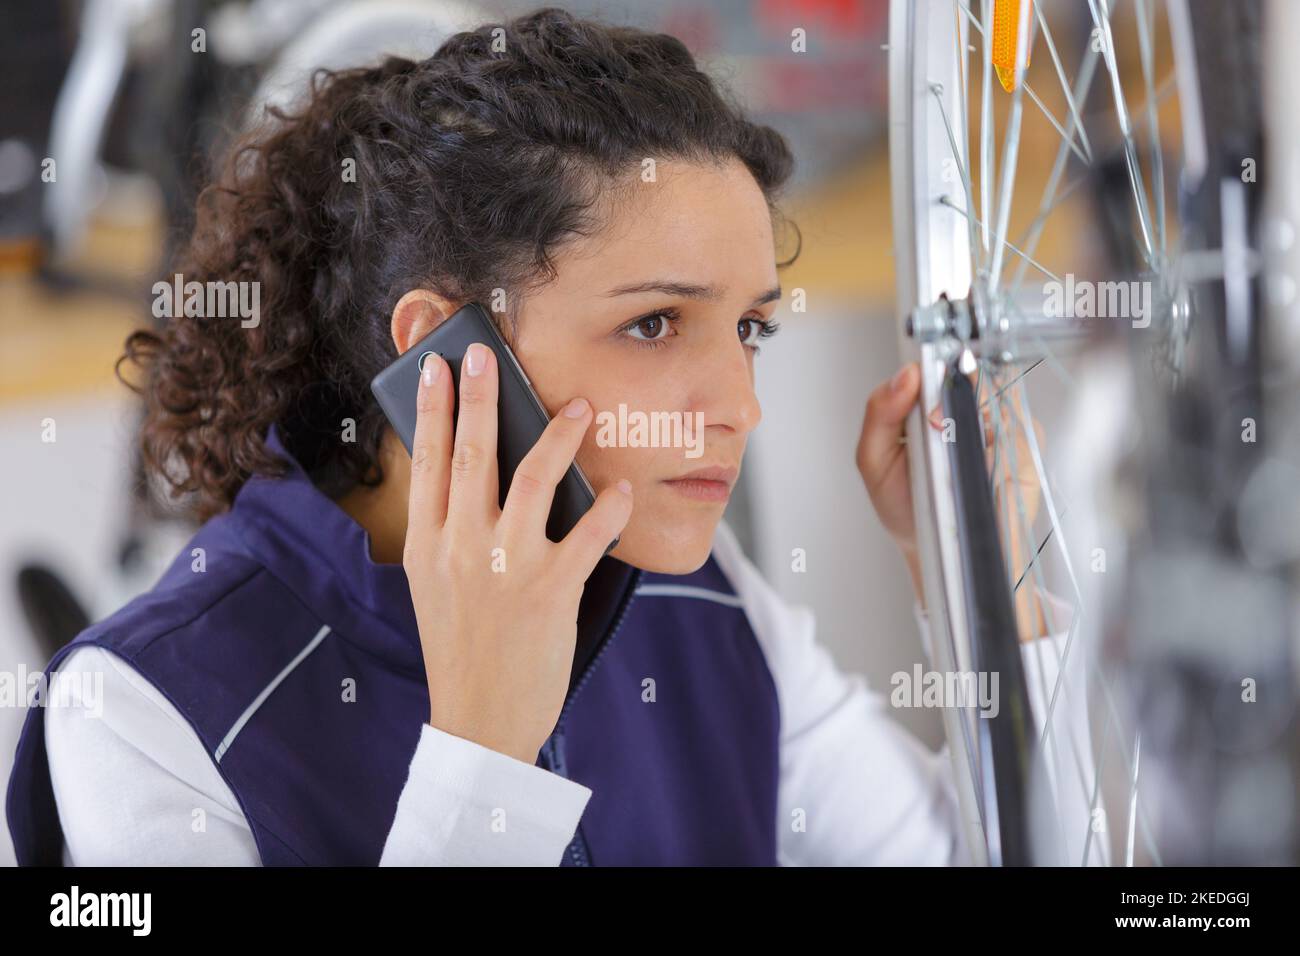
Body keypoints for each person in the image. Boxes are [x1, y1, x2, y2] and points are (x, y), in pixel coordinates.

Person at [6, 7, 1079, 866]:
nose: (737, 405)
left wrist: (990, 587)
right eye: (653, 323)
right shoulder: (139, 719)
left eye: (747, 327)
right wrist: (481, 749)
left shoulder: (703, 597)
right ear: (446, 350)